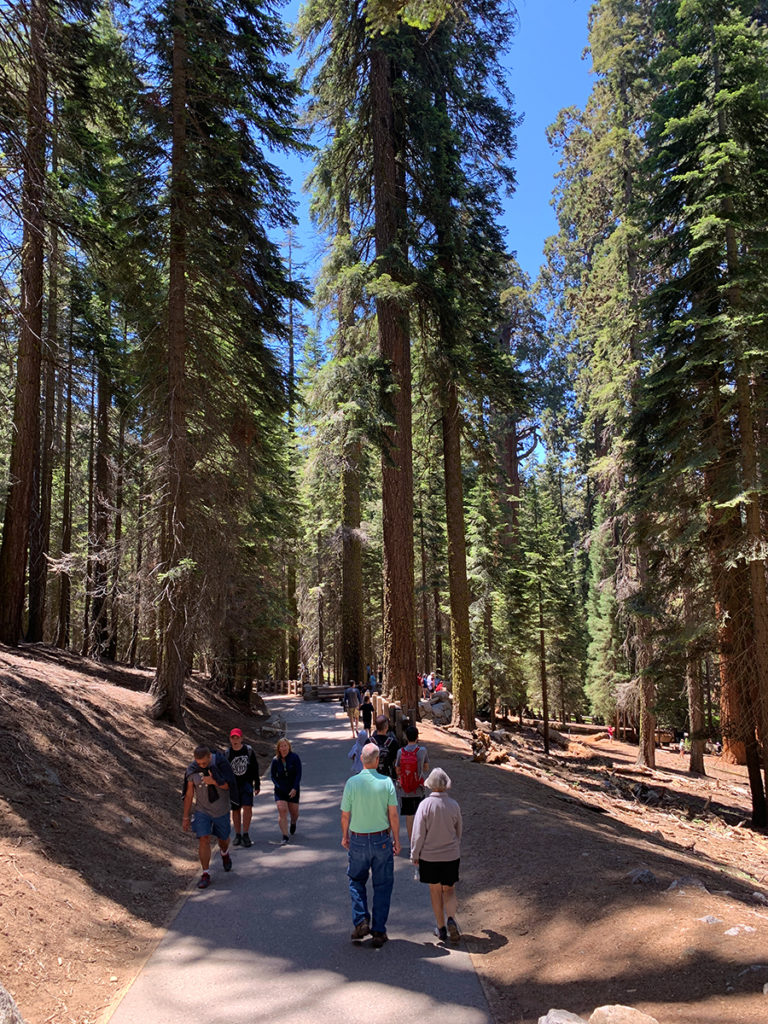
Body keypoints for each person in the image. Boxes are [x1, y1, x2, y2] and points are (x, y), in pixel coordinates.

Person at [340, 742, 401, 948]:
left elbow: (345, 814)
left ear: (361, 759)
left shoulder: (351, 783)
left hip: (357, 838)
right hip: (381, 839)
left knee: (356, 879)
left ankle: (361, 920)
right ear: (377, 760)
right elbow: (393, 813)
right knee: (383, 885)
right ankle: (379, 930)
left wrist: (344, 836)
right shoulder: (386, 783)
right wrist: (397, 839)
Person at [411, 767, 462, 943]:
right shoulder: (454, 805)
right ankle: (451, 919)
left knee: (435, 890)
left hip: (430, 856)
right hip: (451, 855)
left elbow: (418, 834)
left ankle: (440, 928)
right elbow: (459, 832)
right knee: (449, 889)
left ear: (430, 785)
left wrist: (414, 854)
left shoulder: (424, 805)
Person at [182, 744, 236, 889]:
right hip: (202, 810)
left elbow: (228, 785)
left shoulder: (220, 764)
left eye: (204, 763)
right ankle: (205, 873)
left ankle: (224, 853)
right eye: (199, 763)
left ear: (209, 757)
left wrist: (214, 781)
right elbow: (189, 794)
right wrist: (185, 816)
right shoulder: (192, 770)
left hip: (221, 809)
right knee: (203, 838)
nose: (202, 765)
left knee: (223, 839)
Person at [395, 725, 430, 844]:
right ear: (417, 737)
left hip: (405, 789)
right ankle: (420, 842)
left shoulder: (400, 751)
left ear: (406, 737)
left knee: (409, 817)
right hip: (419, 788)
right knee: (420, 816)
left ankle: (412, 844)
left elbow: (398, 770)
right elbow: (426, 768)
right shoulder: (422, 751)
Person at [227, 728, 260, 847]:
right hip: (234, 786)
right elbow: (225, 771)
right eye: (232, 738)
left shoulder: (248, 751)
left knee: (247, 808)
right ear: (230, 739)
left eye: (237, 737)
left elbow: (255, 768)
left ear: (241, 738)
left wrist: (257, 784)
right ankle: (237, 834)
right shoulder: (228, 753)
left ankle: (245, 834)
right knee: (235, 810)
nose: (235, 740)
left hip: (246, 784)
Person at [270, 738, 302, 844]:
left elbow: (298, 774)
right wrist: (278, 786)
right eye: (281, 746)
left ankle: (293, 822)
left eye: (285, 746)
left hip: (293, 788)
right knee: (282, 810)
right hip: (280, 790)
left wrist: (295, 788)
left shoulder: (295, 758)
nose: (283, 748)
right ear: (278, 748)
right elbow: (273, 776)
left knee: (294, 813)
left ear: (289, 747)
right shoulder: (275, 760)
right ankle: (285, 835)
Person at [370, 714, 399, 780]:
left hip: (372, 777)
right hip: (388, 777)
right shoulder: (393, 743)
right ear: (386, 727)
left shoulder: (369, 742)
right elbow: (396, 762)